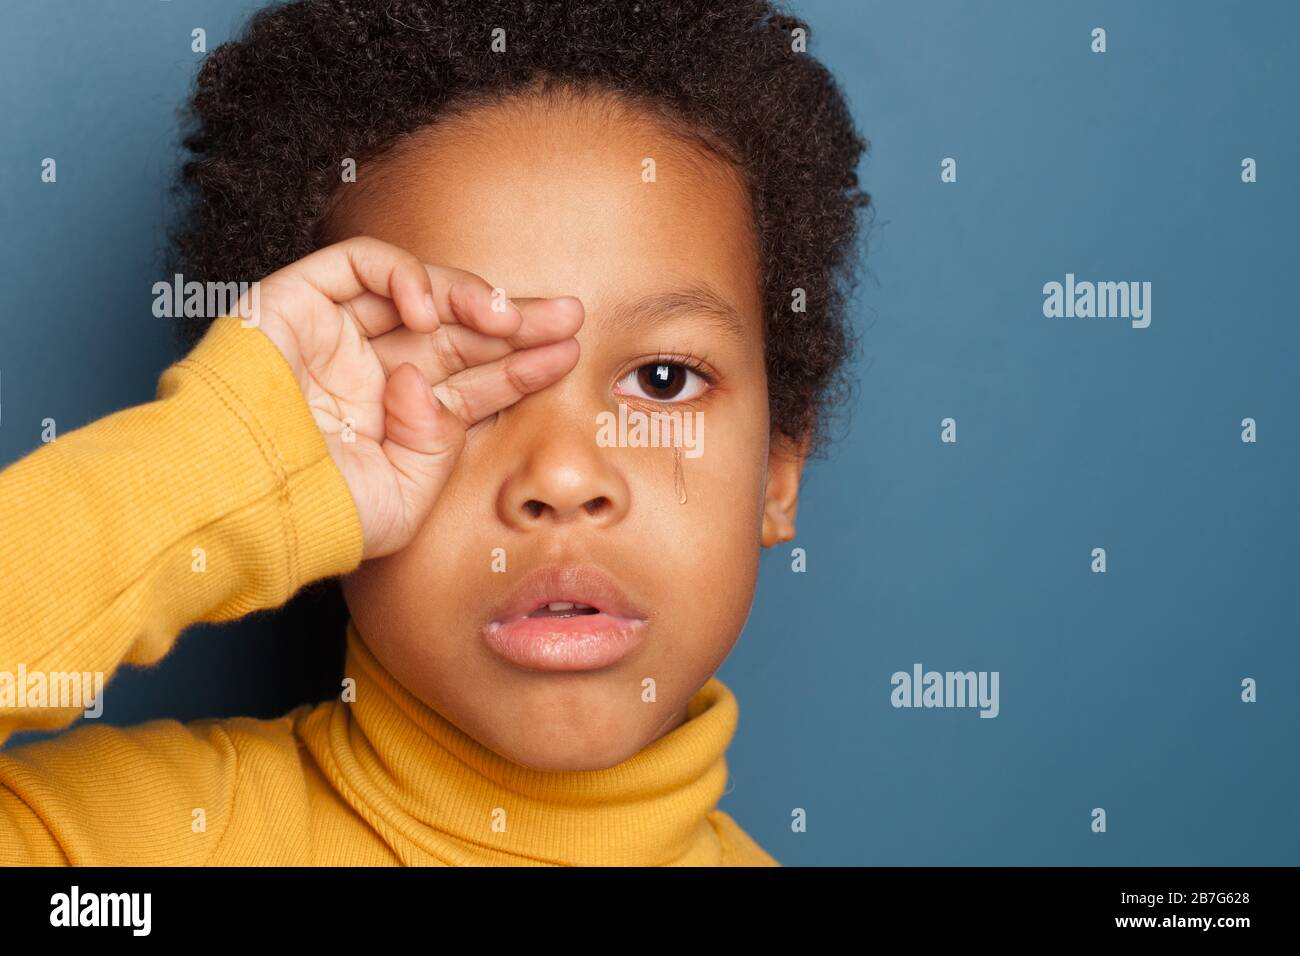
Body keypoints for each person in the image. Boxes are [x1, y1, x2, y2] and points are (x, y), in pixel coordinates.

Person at [0, 0, 869, 865]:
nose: (562, 477)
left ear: (780, 466)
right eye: (462, 383)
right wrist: (231, 461)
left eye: (663, 380)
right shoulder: (126, 849)